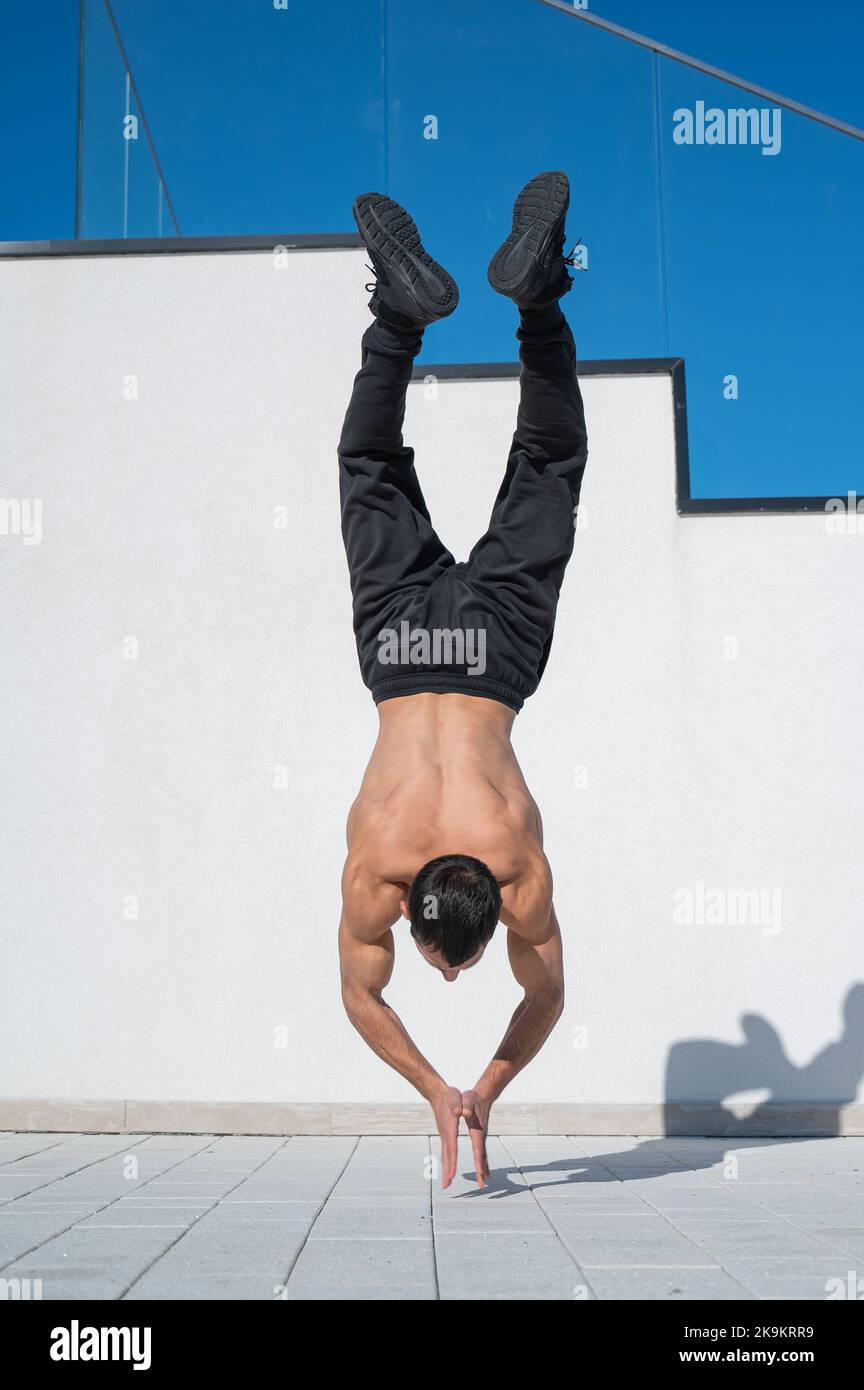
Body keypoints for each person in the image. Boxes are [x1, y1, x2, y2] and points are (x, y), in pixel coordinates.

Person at [337, 172, 588, 1188]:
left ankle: (537, 301)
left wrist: (471, 1084)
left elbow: (548, 999)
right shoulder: (377, 873)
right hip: (397, 656)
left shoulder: (521, 871)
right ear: (424, 923)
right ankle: (396, 322)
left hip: (495, 659)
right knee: (368, 465)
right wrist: (448, 1090)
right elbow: (360, 1000)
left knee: (551, 462)